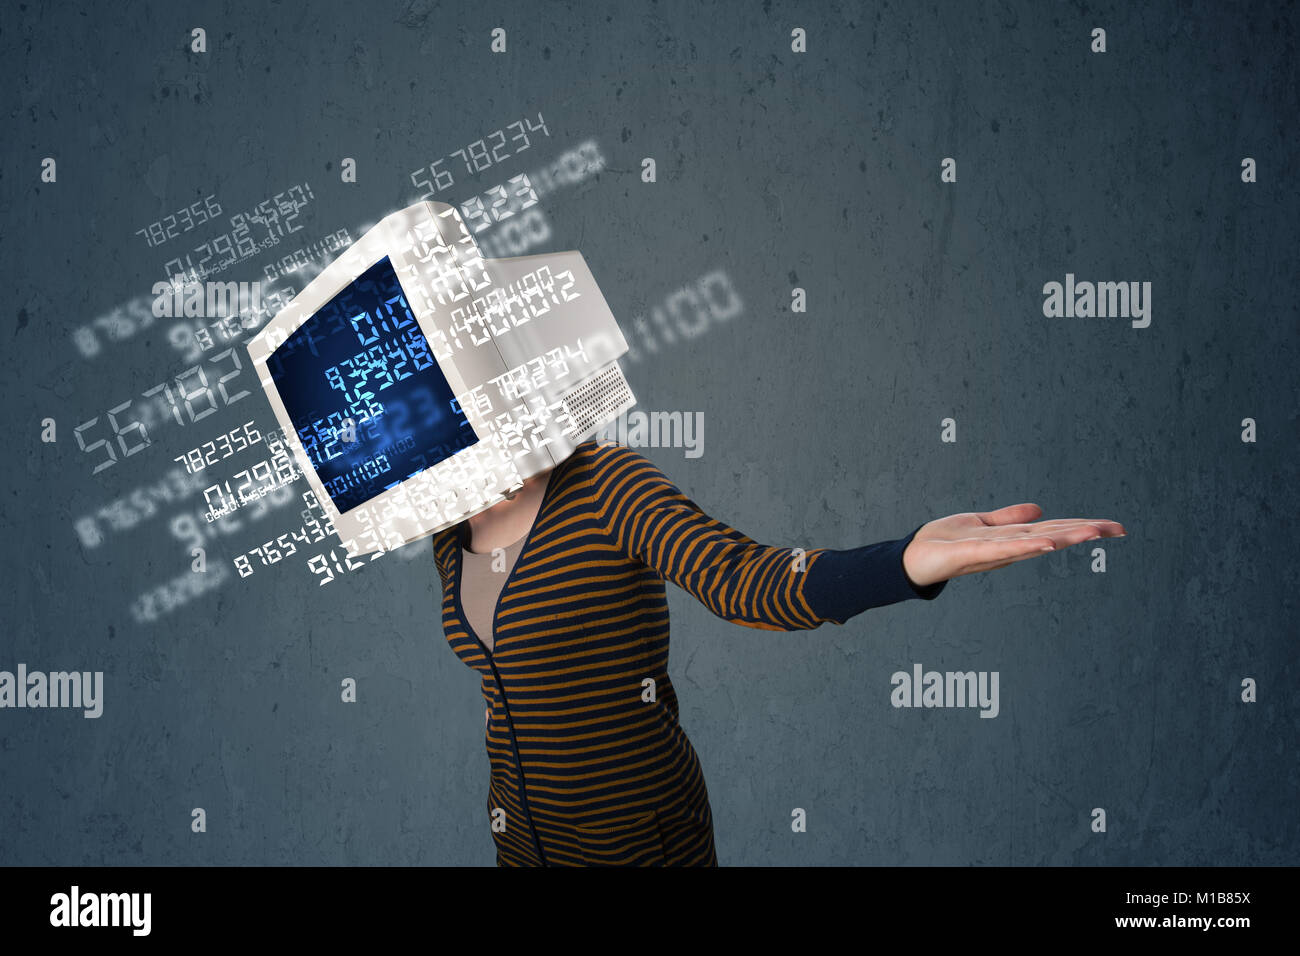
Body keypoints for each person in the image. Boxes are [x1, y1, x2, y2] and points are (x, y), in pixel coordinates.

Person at [432, 438, 1125, 866]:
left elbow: (741, 579)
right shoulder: (446, 529)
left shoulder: (603, 483)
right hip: (521, 844)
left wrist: (902, 563)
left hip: (641, 841)